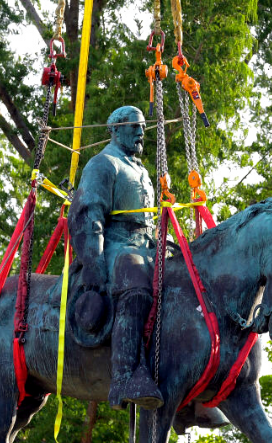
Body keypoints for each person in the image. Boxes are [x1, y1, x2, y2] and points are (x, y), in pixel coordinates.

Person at [69, 105, 162, 409]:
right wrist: (93, 263)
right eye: (135, 126)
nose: (140, 133)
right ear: (115, 128)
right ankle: (124, 377)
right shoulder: (104, 164)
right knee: (134, 277)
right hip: (115, 246)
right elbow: (87, 215)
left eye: (143, 128)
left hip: (144, 244)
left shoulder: (140, 170)